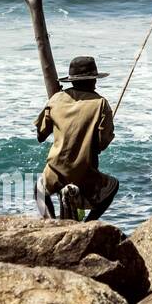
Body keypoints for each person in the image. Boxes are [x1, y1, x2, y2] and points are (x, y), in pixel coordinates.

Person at [34, 56, 119, 221]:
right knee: (113, 186)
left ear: (72, 80)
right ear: (92, 80)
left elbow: (40, 135)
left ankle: (50, 221)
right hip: (83, 174)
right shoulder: (101, 104)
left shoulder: (56, 99)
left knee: (39, 190)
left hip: (55, 172)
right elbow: (102, 144)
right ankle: (90, 223)